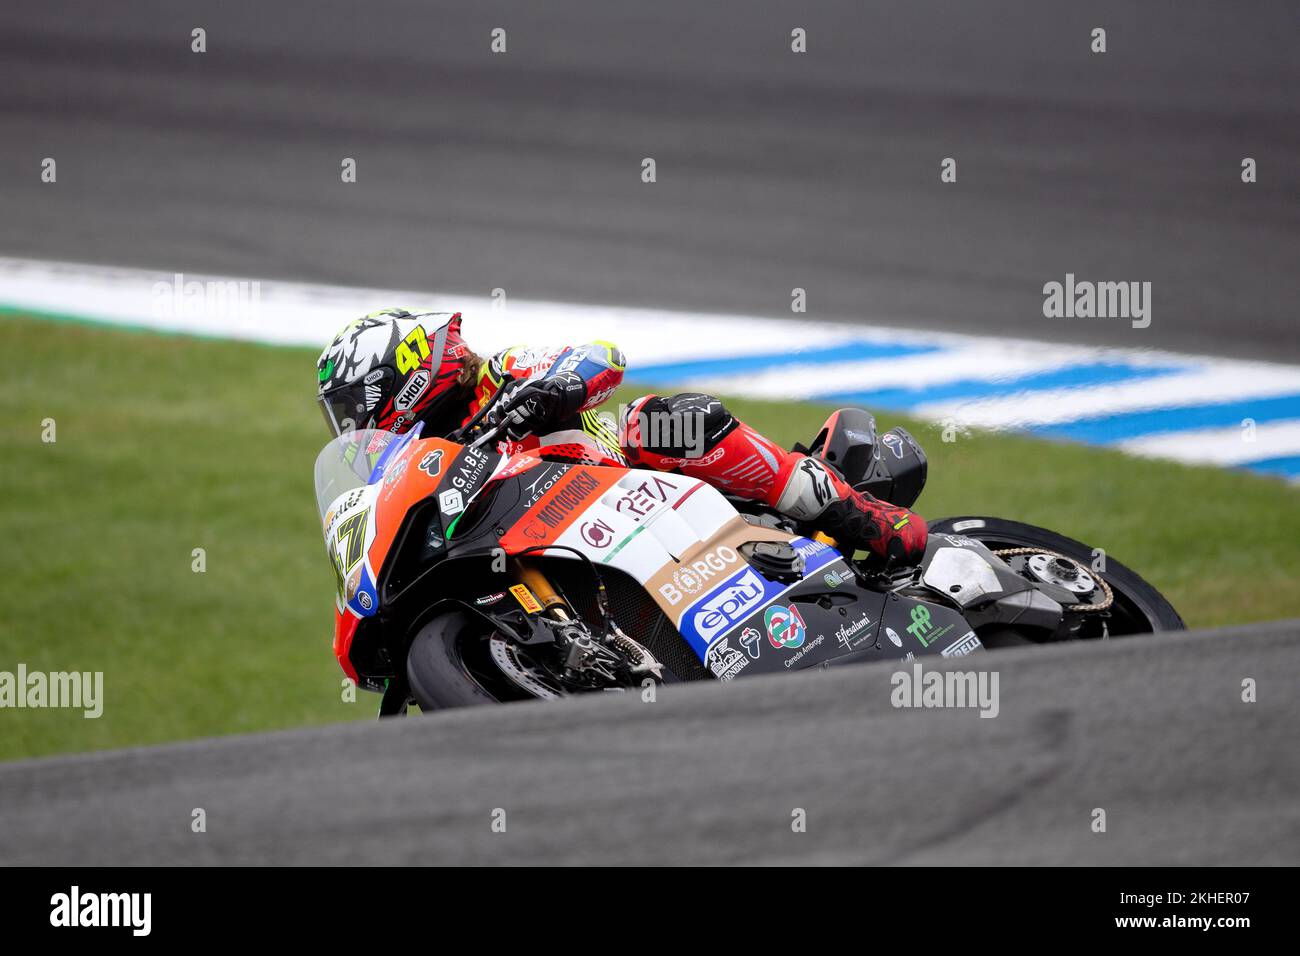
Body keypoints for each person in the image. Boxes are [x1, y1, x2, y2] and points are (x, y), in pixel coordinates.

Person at [316, 309, 926, 564]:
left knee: (654, 419)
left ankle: (853, 510)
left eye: (351, 407)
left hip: (628, 486)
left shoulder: (501, 373)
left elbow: (602, 356)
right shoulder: (423, 469)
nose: (351, 426)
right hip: (559, 548)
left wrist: (546, 390)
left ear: (398, 374)